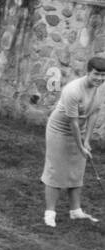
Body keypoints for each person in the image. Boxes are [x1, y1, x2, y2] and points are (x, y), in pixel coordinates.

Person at [41, 55, 105, 226]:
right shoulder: (73, 90)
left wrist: (87, 141)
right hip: (60, 130)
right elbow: (73, 122)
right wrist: (80, 145)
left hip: (80, 128)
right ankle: (50, 213)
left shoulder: (100, 88)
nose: (100, 78)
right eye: (96, 74)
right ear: (88, 72)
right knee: (56, 170)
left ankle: (76, 211)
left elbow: (94, 113)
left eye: (103, 75)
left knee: (77, 170)